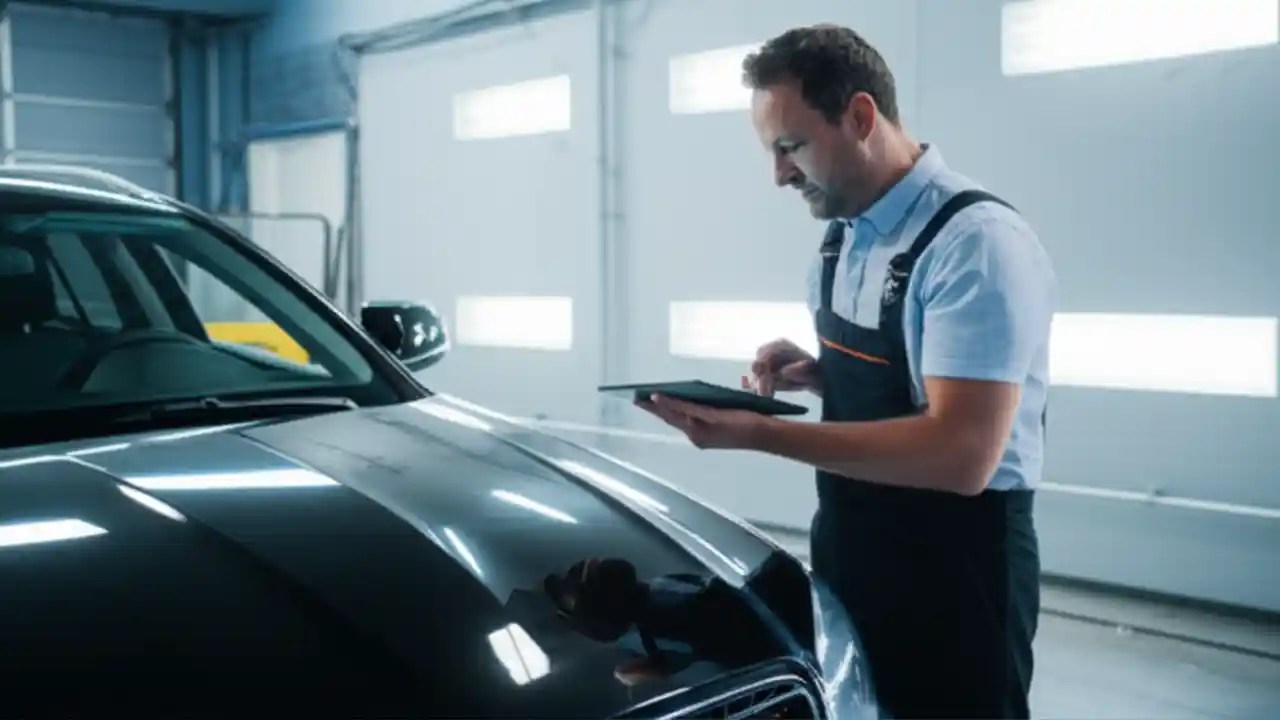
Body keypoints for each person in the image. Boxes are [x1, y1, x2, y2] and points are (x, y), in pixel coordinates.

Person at [637, 24, 1057, 719]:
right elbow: (912, 386)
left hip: (960, 572)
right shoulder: (841, 238)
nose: (779, 175)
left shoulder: (975, 245)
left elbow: (961, 454)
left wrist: (758, 434)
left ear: (860, 117)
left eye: (790, 146)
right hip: (855, 546)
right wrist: (823, 376)